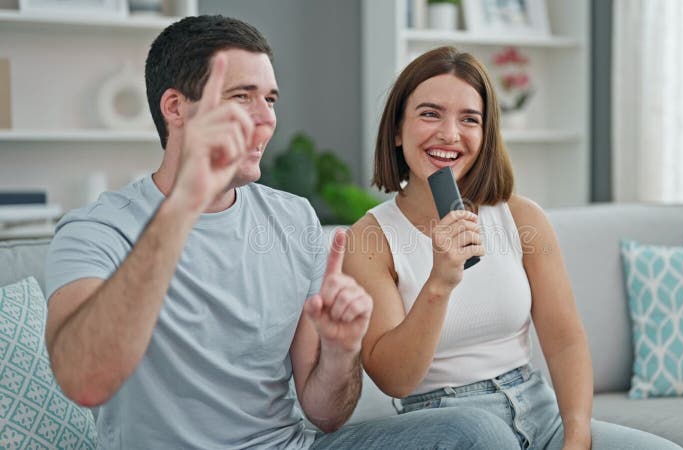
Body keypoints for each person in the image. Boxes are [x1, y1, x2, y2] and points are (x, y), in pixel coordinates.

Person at [44, 17, 519, 449]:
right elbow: (86, 379)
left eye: (269, 99)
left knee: (474, 433)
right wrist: (186, 202)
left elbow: (325, 414)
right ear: (176, 108)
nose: (267, 117)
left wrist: (339, 352)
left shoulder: (292, 220)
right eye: (241, 97)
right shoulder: (98, 230)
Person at [343, 46, 683, 450]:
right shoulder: (369, 239)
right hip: (449, 426)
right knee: (486, 438)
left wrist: (576, 435)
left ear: (485, 136)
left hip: (538, 413)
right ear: (397, 130)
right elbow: (394, 379)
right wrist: (439, 282)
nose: (450, 134)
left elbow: (565, 340)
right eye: (430, 113)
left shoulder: (521, 218)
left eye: (469, 119)